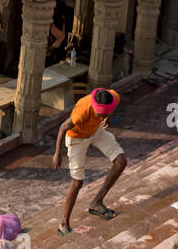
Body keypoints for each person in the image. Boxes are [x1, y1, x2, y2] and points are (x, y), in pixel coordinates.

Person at [53, 88, 127, 234]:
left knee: (121, 161)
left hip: (96, 131)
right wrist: (57, 153)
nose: (102, 116)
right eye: (101, 114)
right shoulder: (82, 111)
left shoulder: (113, 97)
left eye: (105, 114)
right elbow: (63, 127)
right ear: (95, 107)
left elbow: (107, 111)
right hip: (77, 138)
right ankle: (63, 223)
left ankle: (97, 203)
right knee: (77, 182)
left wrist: (107, 117)